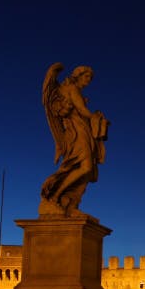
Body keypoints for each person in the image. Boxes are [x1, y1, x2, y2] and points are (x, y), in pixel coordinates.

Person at [40, 64, 109, 216]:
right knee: (86, 167)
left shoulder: (75, 91)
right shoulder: (72, 89)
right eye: (86, 77)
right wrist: (96, 116)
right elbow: (82, 111)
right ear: (78, 75)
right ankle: (55, 197)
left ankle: (71, 203)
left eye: (90, 78)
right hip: (76, 133)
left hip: (84, 130)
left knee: (88, 171)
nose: (88, 80)